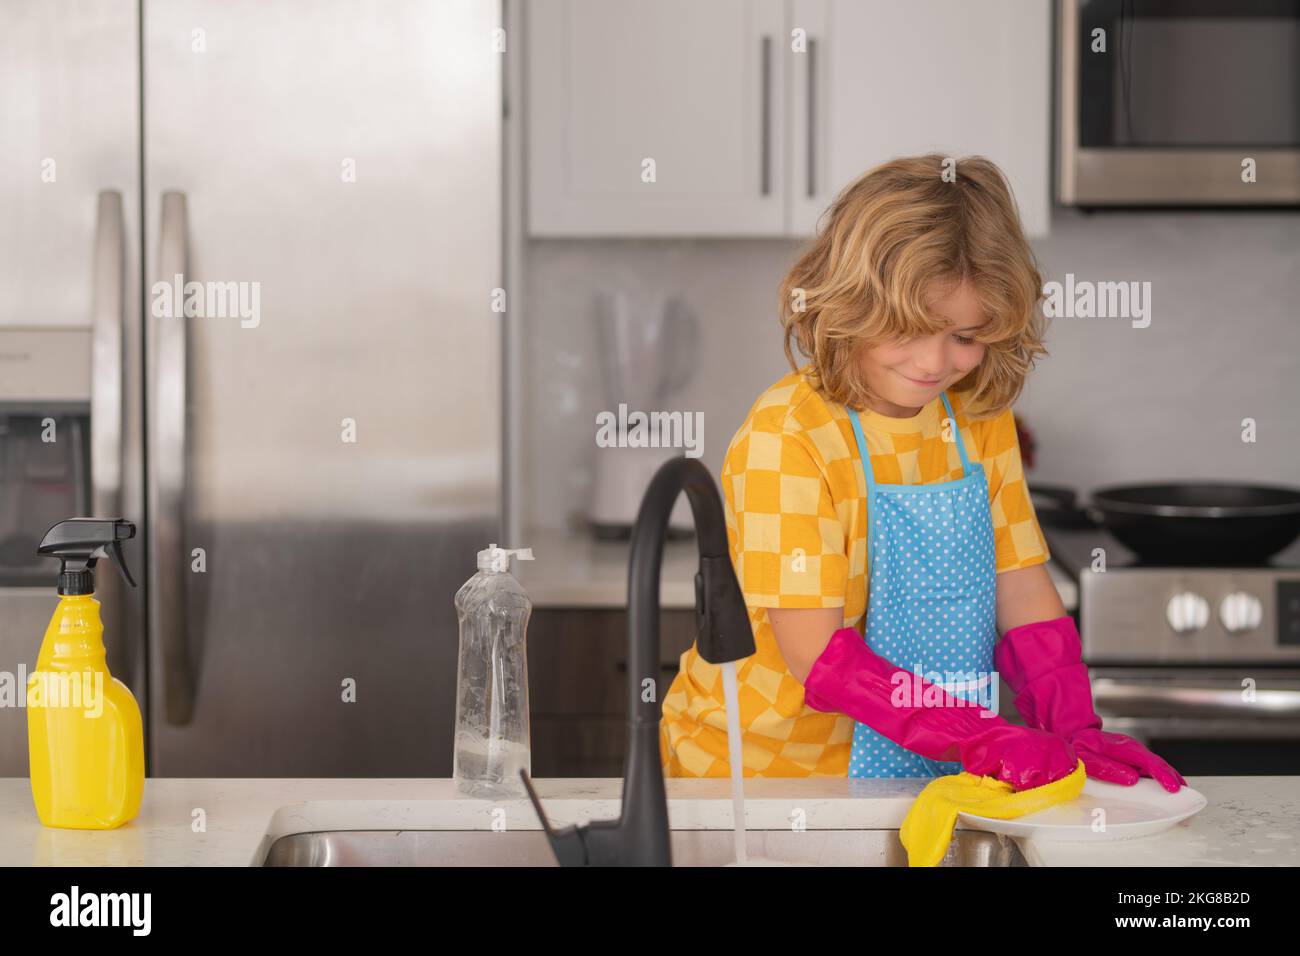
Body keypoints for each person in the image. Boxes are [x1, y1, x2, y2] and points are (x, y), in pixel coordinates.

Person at [659, 154, 1184, 793]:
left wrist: (1074, 726)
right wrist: (981, 735)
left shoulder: (978, 416)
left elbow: (1018, 584)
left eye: (966, 336)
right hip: (766, 774)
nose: (935, 363)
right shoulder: (788, 436)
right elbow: (817, 656)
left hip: (923, 764)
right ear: (847, 302)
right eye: (909, 329)